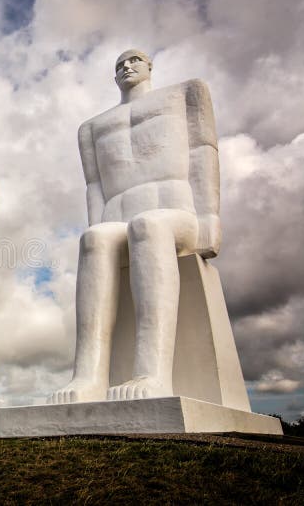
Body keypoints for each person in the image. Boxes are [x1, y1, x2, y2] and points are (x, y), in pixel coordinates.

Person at [49, 49, 220, 403]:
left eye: (134, 61)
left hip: (176, 214)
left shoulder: (183, 94)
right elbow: (94, 186)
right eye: (119, 65)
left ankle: (152, 374)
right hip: (118, 217)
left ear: (150, 67)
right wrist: (98, 234)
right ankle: (87, 376)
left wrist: (209, 220)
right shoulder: (92, 128)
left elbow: (202, 153)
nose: (126, 66)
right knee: (95, 238)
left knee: (149, 227)